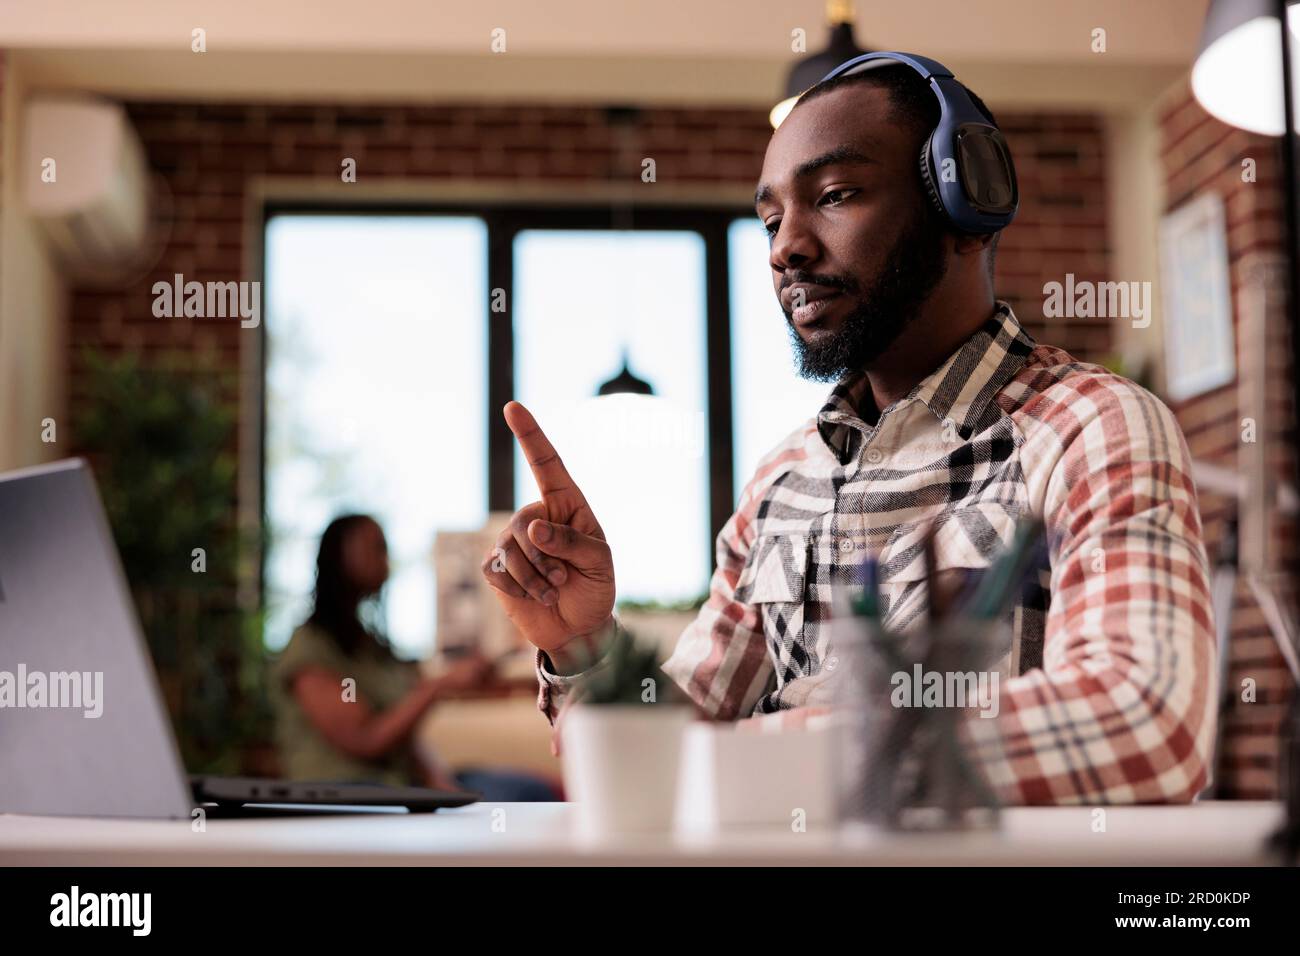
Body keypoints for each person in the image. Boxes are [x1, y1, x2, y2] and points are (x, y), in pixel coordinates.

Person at [480, 59, 1216, 805]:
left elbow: (1144, 724)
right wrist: (582, 650)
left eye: (834, 196)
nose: (783, 248)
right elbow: (650, 771)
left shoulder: (1090, 427)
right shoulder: (779, 481)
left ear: (964, 211)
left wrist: (760, 757)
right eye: (771, 221)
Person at [273, 514, 558, 801]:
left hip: (399, 783)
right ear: (340, 556)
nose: (385, 559)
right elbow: (364, 739)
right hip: (347, 791)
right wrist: (437, 687)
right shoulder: (310, 648)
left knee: (528, 790)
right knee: (505, 799)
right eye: (376, 547)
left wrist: (440, 781)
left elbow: (404, 740)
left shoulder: (370, 646)